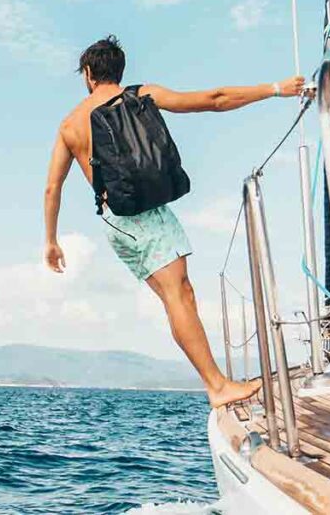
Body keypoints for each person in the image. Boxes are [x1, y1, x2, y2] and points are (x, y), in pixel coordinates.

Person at [43, 35, 305, 408]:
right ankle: (216, 386)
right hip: (142, 216)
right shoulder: (142, 94)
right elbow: (214, 100)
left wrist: (51, 240)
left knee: (180, 295)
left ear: (87, 74)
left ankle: (216, 383)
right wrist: (274, 89)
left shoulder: (71, 124)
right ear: (119, 70)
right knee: (178, 295)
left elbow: (53, 187)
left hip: (120, 219)